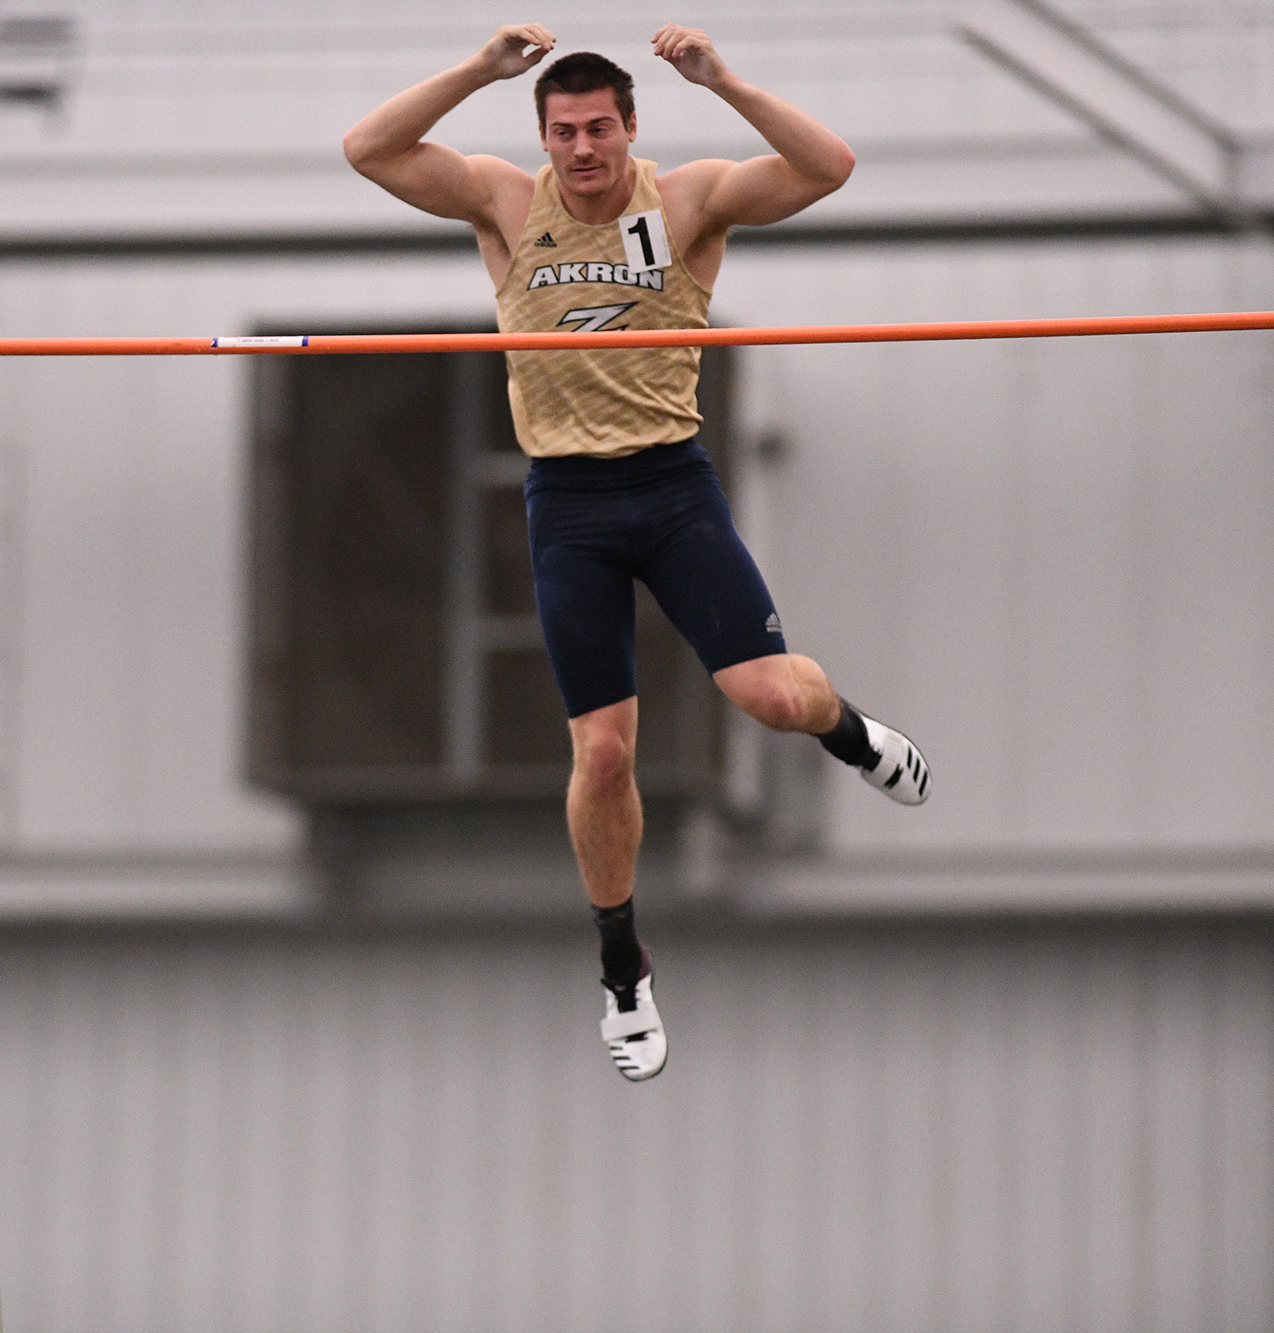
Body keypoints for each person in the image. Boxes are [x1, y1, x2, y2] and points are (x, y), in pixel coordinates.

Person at [344, 24, 929, 1082]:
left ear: (628, 128)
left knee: (768, 698)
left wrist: (727, 81)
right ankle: (621, 964)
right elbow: (368, 151)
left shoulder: (689, 199)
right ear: (542, 134)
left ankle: (849, 735)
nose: (581, 151)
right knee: (603, 752)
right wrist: (477, 71)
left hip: (667, 487)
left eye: (598, 129)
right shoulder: (503, 202)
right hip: (565, 500)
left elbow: (826, 168)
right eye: (562, 132)